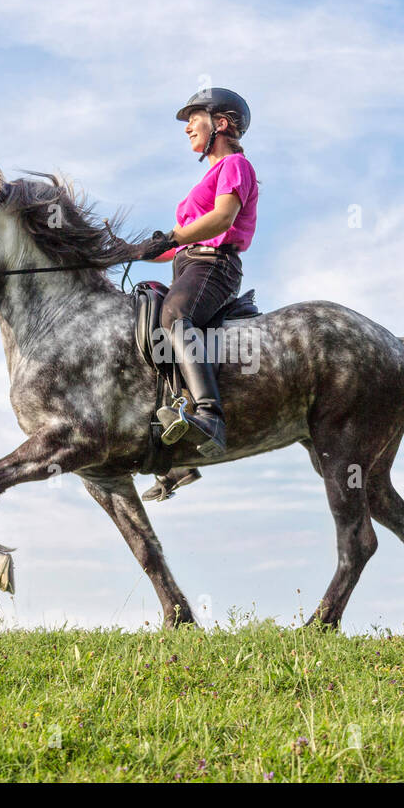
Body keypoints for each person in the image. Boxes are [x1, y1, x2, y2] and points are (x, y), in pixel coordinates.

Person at [136, 87, 258, 502]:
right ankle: (179, 455)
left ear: (220, 124)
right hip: (191, 262)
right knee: (150, 325)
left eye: (195, 118)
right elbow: (176, 246)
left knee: (173, 316)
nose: (187, 126)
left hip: (214, 265)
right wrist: (131, 251)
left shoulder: (235, 165)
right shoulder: (205, 177)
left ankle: (210, 416)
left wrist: (170, 236)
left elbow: (222, 218)